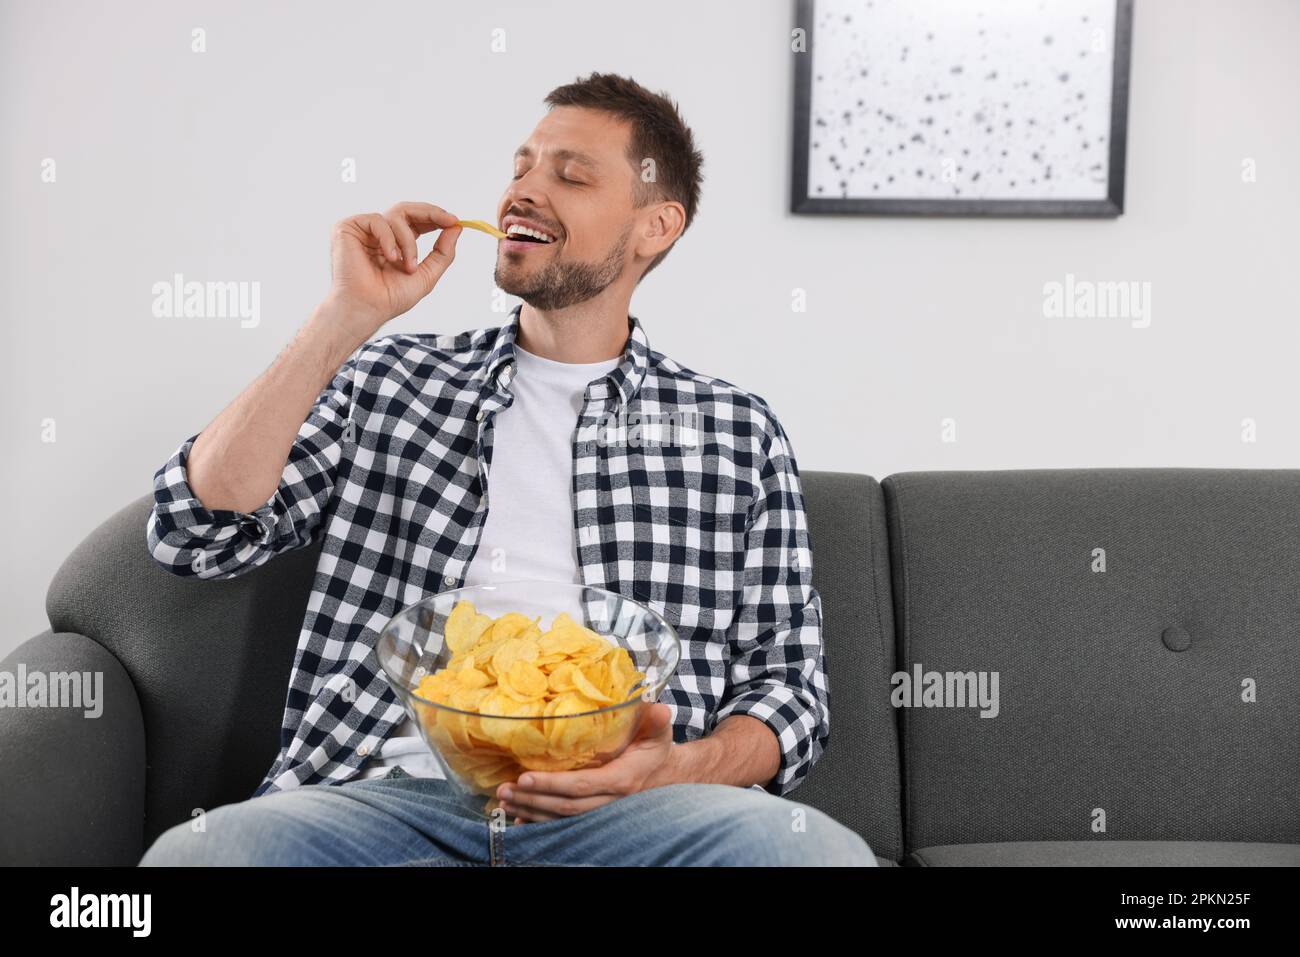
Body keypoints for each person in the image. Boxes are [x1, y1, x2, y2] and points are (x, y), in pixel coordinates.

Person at [139, 72, 876, 867]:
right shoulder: (392, 381)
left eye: (570, 174)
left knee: (818, 857)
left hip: (636, 812)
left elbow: (790, 694)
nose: (522, 191)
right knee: (199, 858)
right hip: (388, 794)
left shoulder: (735, 432)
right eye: (521, 167)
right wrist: (344, 318)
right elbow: (195, 532)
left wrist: (676, 766)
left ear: (657, 225)